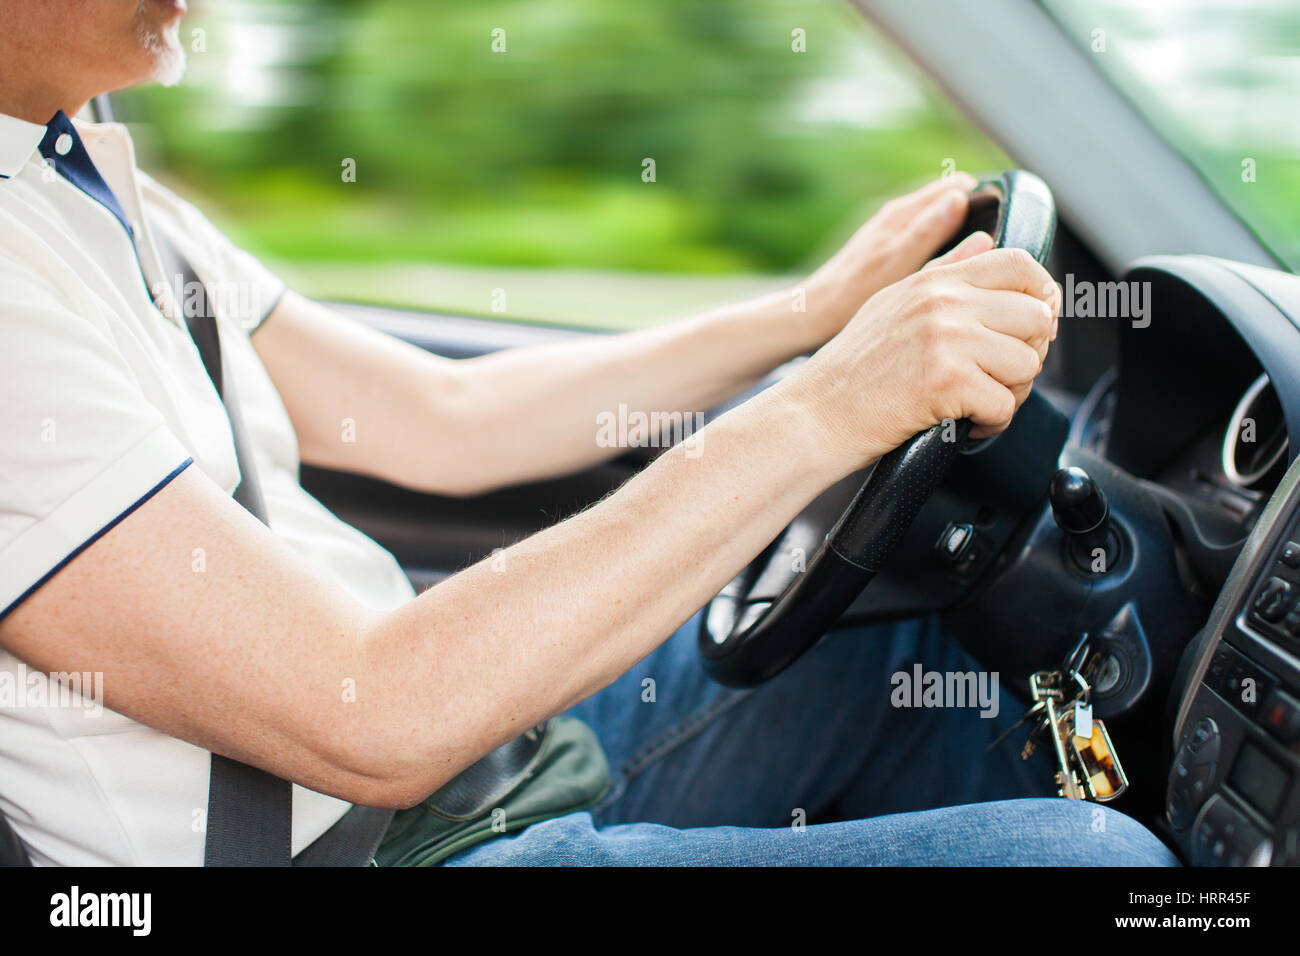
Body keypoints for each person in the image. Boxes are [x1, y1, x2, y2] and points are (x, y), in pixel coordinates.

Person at [0, 0, 1175, 866]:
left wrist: (806, 319)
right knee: (1102, 869)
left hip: (478, 768)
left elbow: (441, 419)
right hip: (360, 844)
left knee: (893, 640)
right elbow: (368, 714)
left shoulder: (95, 184)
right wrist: (829, 403)